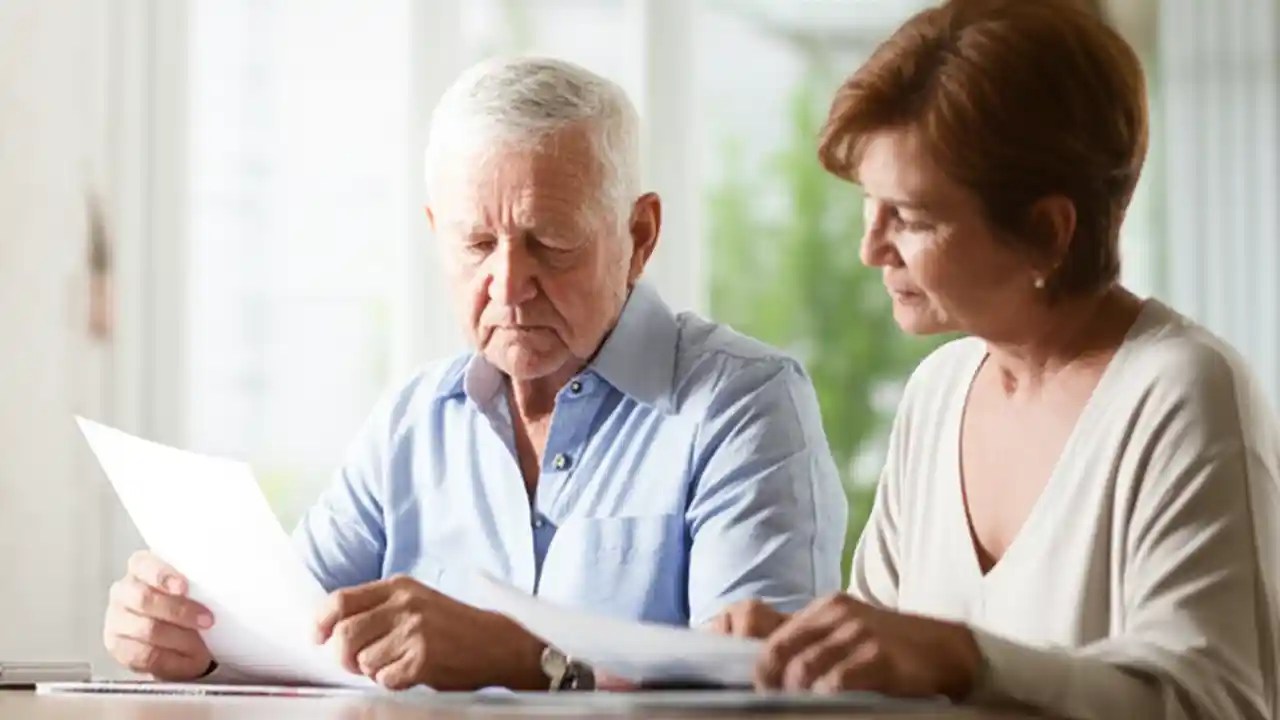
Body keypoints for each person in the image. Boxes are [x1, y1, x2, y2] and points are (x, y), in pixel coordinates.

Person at [100, 57, 847, 691]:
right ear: (437, 236)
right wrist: (197, 641)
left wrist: (531, 660)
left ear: (639, 235)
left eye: (551, 242)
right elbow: (294, 641)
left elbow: (771, 691)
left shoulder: (742, 403)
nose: (509, 283)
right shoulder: (411, 423)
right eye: (477, 243)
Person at [711, 1, 1280, 718]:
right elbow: (892, 670)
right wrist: (796, 655)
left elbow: (1219, 702)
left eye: (912, 218)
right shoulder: (937, 391)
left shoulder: (1182, 393)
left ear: (1046, 232)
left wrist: (963, 657)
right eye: (871, 206)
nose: (872, 248)